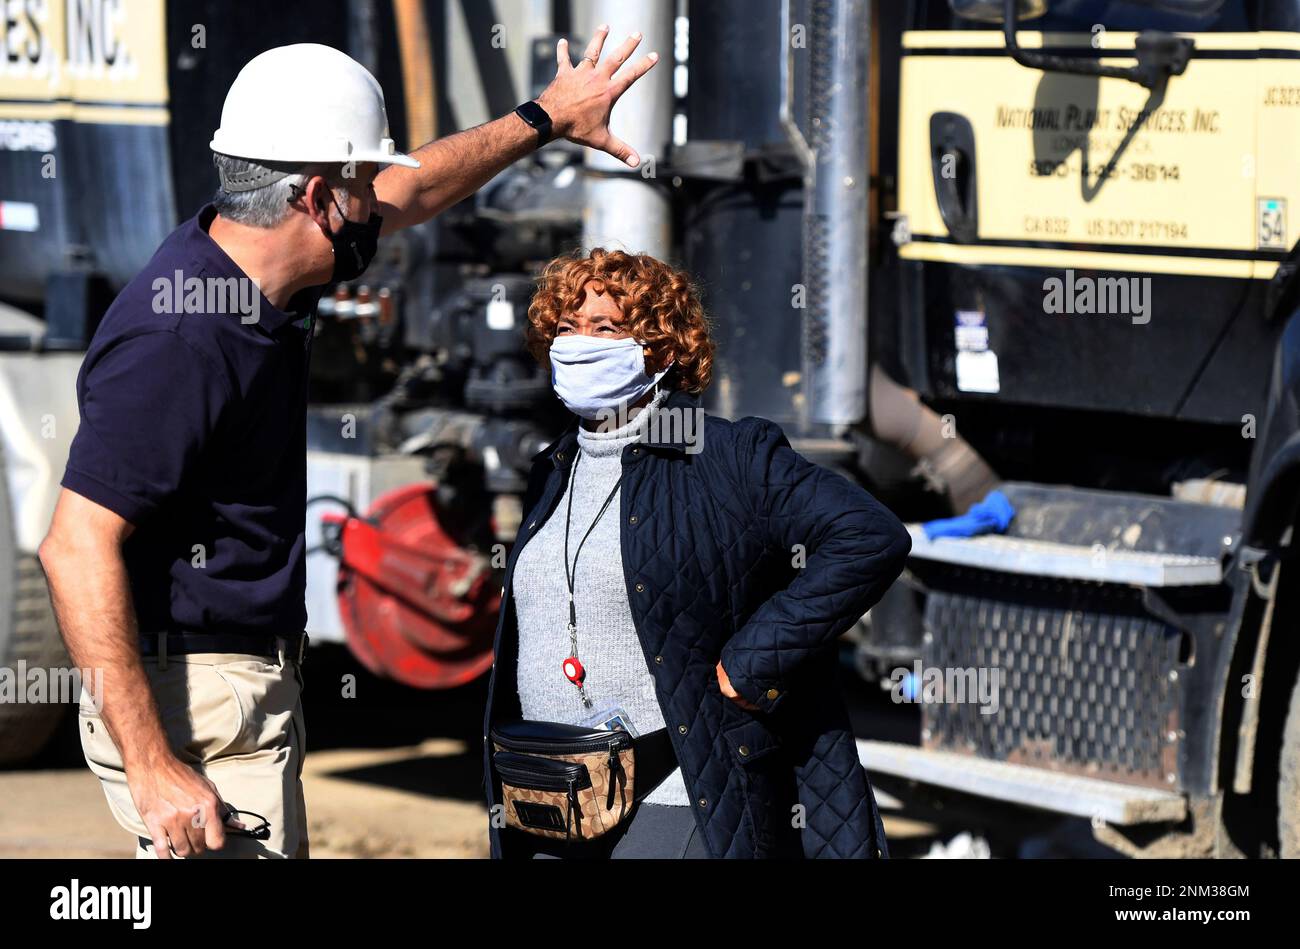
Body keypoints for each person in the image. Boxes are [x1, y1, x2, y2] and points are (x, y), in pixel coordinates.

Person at [38, 31, 659, 859]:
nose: (380, 200)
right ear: (318, 196)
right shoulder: (178, 338)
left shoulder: (264, 260)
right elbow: (74, 548)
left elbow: (419, 185)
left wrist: (544, 117)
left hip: (239, 682)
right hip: (197, 698)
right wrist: (153, 765)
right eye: (363, 183)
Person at [483, 248, 912, 859]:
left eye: (604, 328)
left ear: (659, 347)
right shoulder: (552, 467)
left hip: (677, 792)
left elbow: (870, 536)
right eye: (565, 328)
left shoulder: (724, 453)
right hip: (549, 793)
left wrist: (757, 657)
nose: (577, 345)